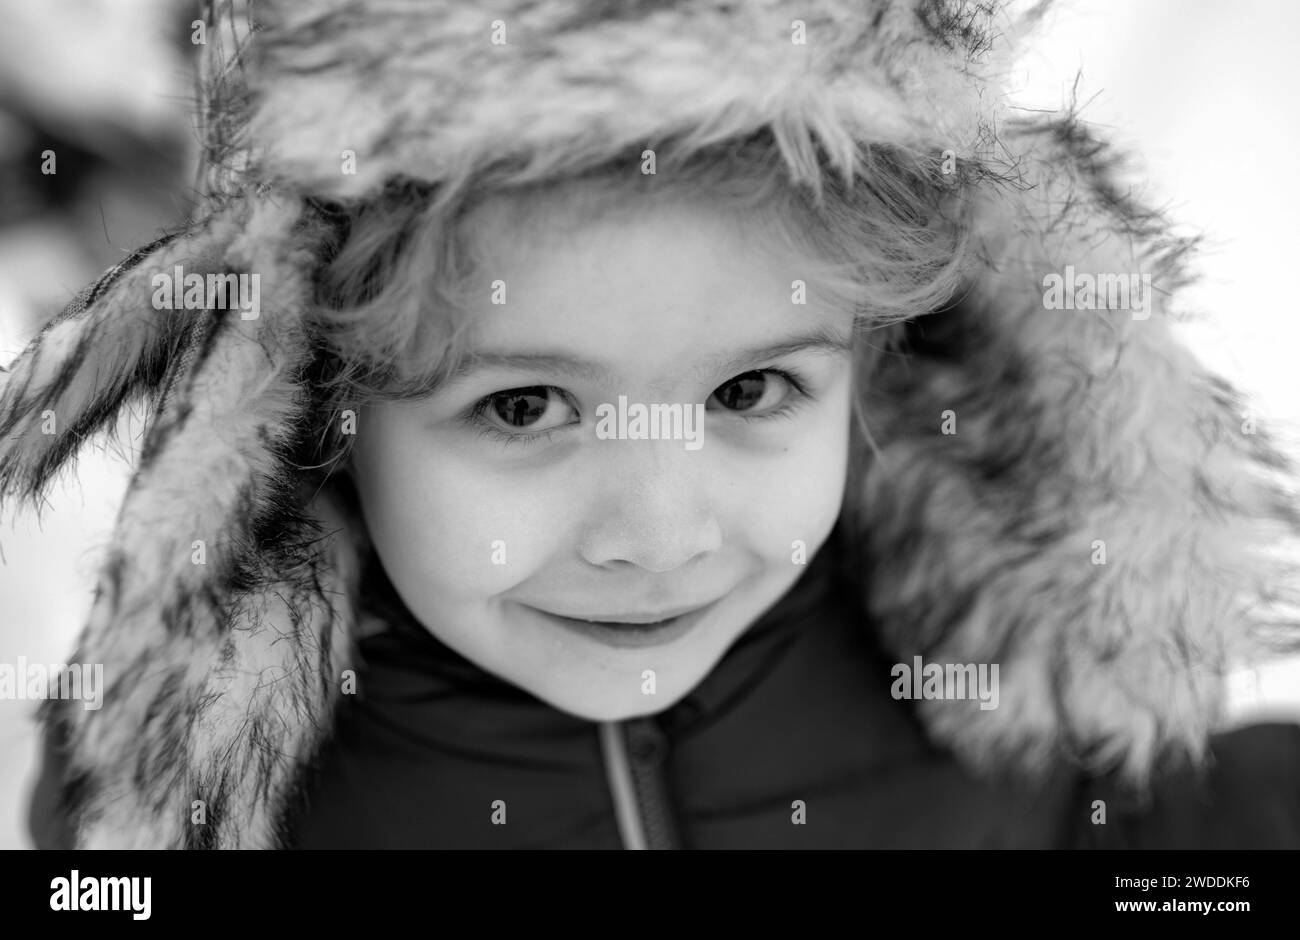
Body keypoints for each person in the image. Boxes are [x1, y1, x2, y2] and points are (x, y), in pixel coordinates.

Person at [6, 0, 1300, 850]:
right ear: (313, 406)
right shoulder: (175, 796)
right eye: (523, 405)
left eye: (749, 393)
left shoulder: (995, 665)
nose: (661, 534)